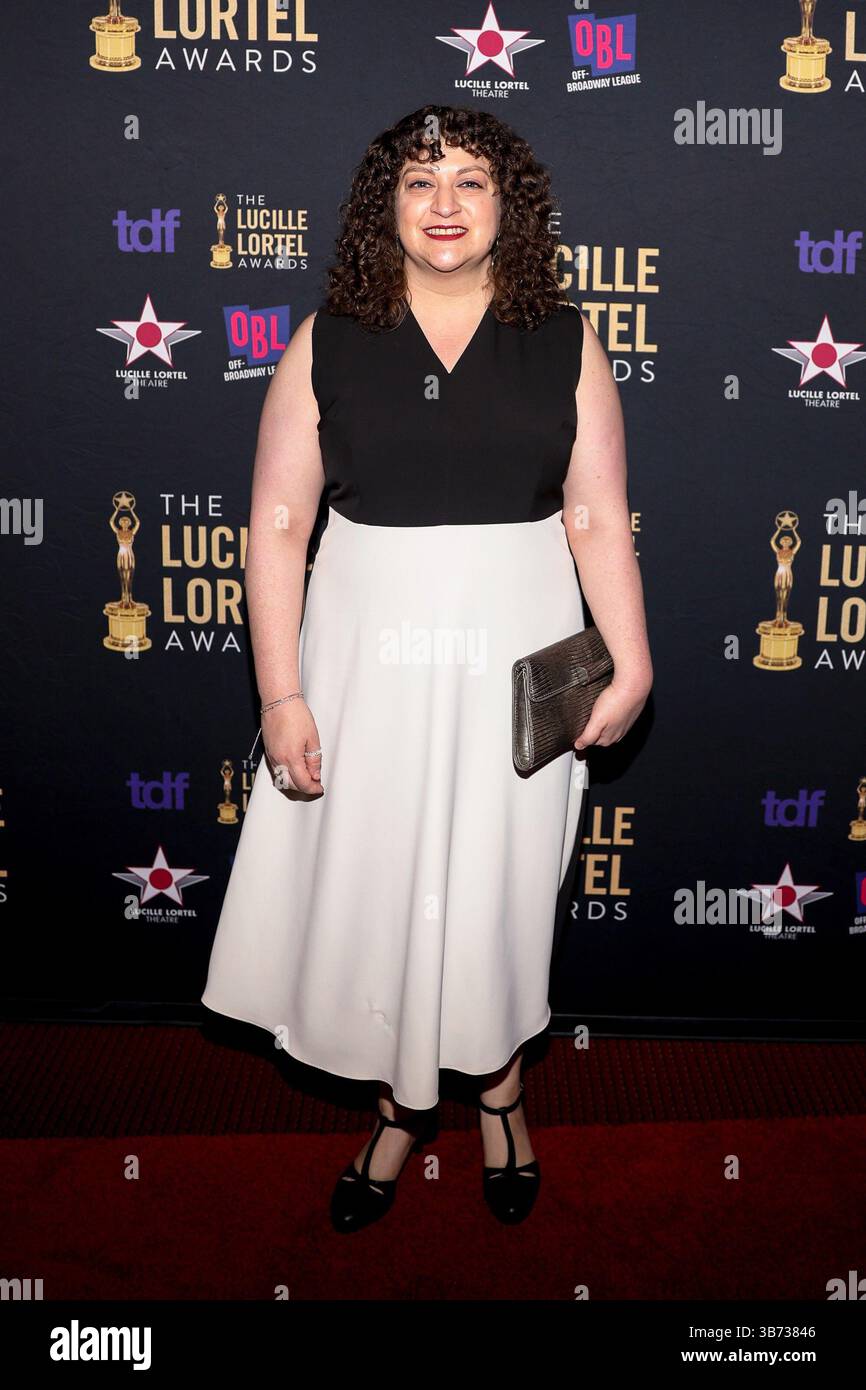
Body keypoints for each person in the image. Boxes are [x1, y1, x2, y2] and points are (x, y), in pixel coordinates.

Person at [201, 105, 652, 1232]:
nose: (443, 203)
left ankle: (495, 1090)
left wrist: (631, 660)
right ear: (382, 206)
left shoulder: (563, 336)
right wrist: (281, 693)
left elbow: (596, 514)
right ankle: (402, 1102)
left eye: (468, 180)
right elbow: (274, 521)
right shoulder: (329, 337)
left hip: (519, 665)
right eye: (417, 182)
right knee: (382, 887)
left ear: (510, 204)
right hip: (367, 664)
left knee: (497, 894)